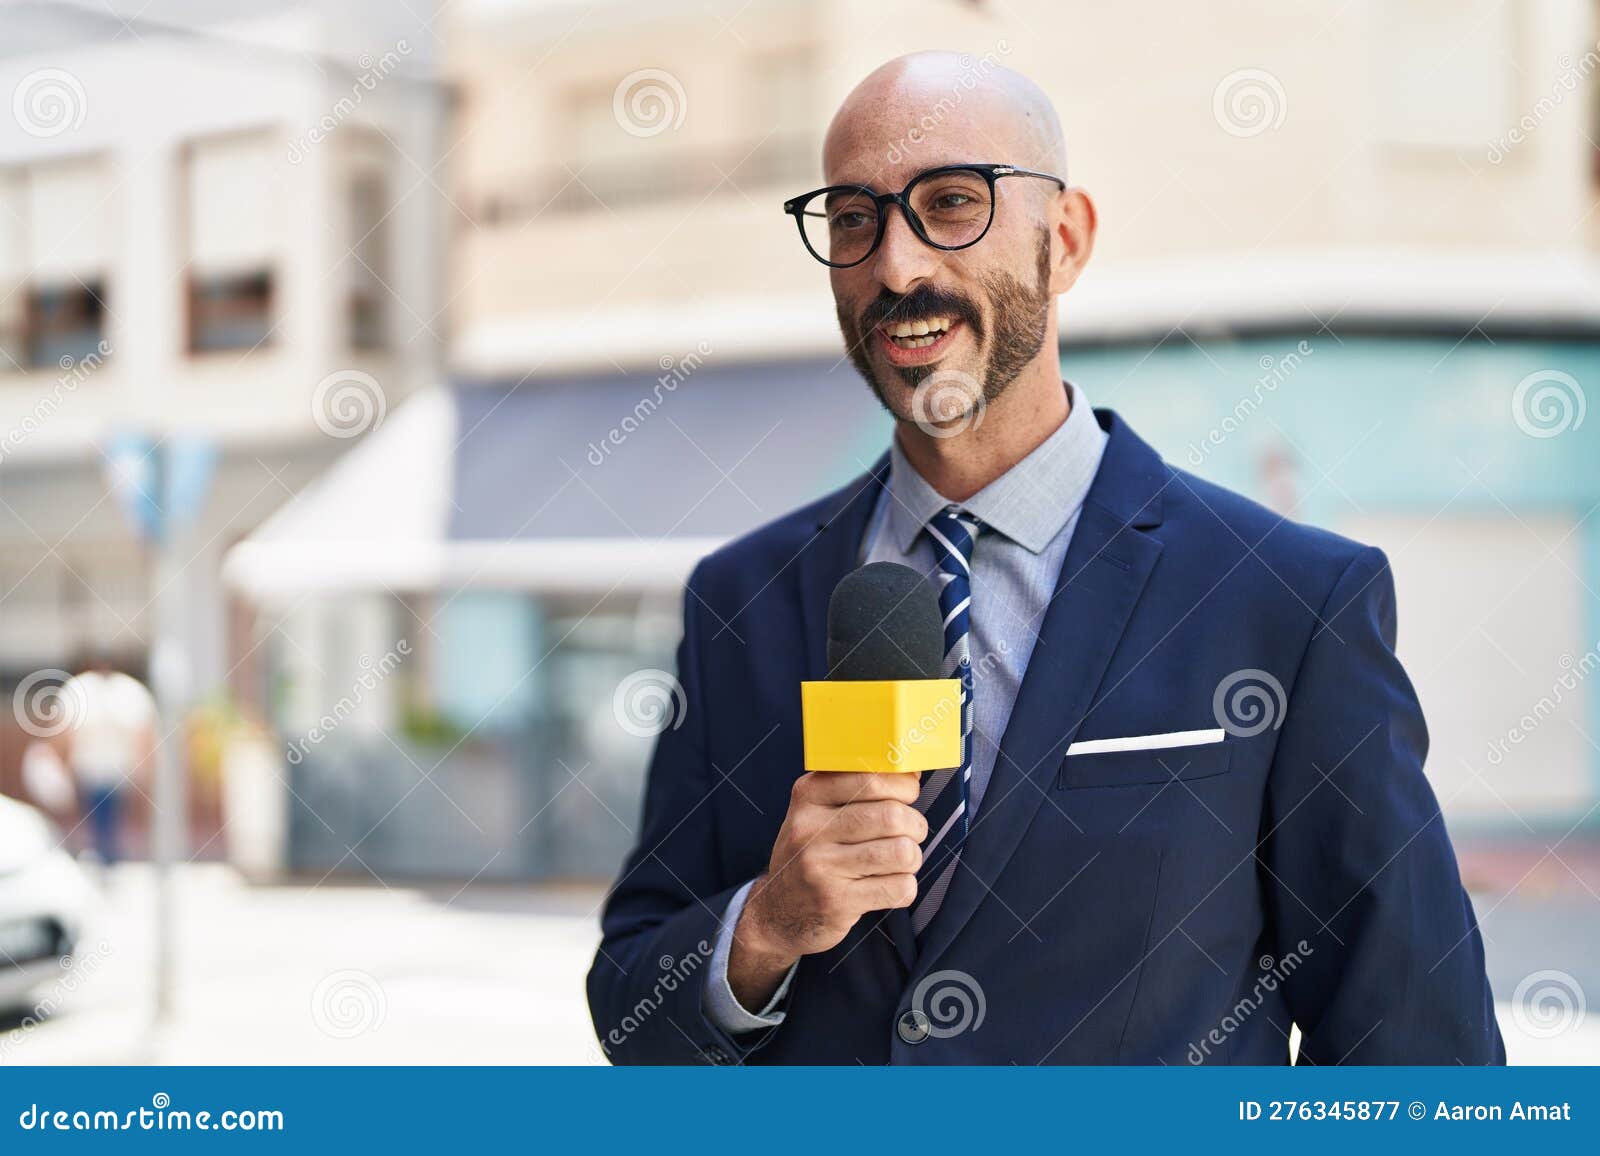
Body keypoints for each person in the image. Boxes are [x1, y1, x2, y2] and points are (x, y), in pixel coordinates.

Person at [587, 53, 1504, 1065]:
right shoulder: (740, 600)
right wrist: (761, 928)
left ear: (1063, 241)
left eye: (949, 203)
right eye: (854, 219)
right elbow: (630, 997)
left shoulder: (1287, 604)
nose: (896, 267)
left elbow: (1416, 1044)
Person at [63, 659, 157, 868]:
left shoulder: (127, 693)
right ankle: (104, 852)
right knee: (98, 812)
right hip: (91, 768)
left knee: (109, 813)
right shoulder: (82, 690)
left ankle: (106, 852)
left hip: (116, 769)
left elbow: (143, 732)